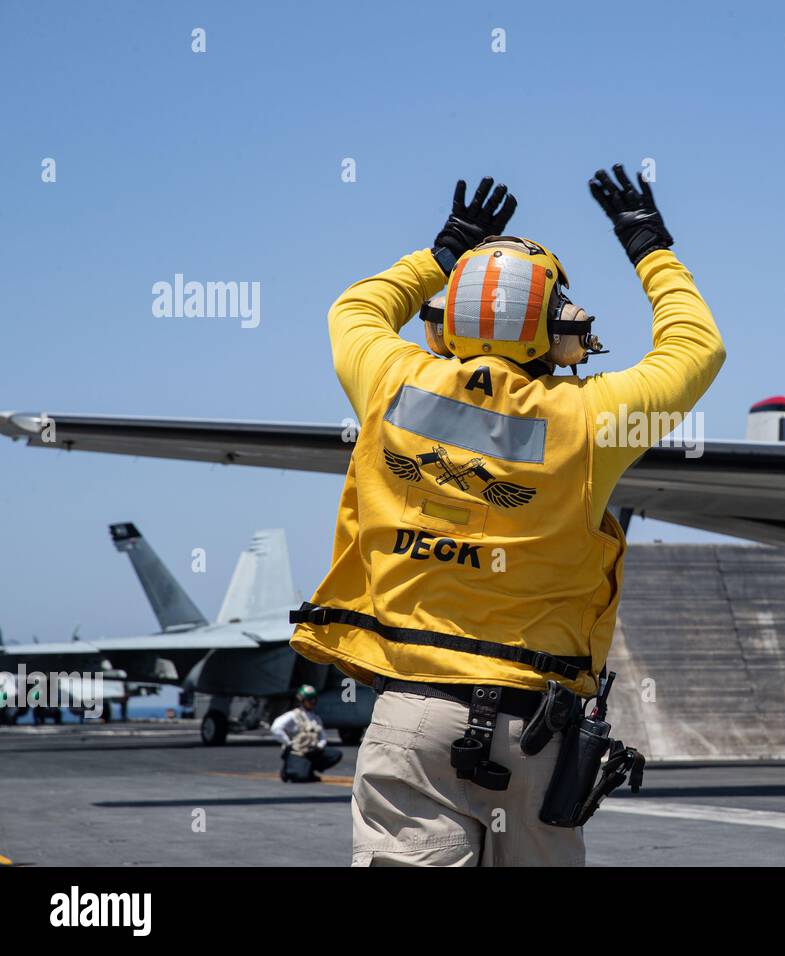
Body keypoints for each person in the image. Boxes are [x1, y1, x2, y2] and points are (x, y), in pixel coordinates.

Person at [288, 164, 725, 865]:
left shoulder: (388, 380)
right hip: (538, 734)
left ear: (444, 321)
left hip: (413, 716)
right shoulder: (590, 419)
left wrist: (442, 250)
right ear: (557, 330)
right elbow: (697, 348)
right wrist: (650, 247)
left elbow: (355, 309)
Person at [270, 684, 342, 782]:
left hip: (312, 752)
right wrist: (288, 743)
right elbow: (276, 728)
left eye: (314, 699)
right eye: (310, 699)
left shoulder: (315, 718)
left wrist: (319, 747)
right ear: (302, 700)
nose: (313, 701)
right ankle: (287, 771)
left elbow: (323, 736)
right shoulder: (293, 715)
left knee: (335, 754)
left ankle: (309, 770)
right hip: (298, 752)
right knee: (300, 777)